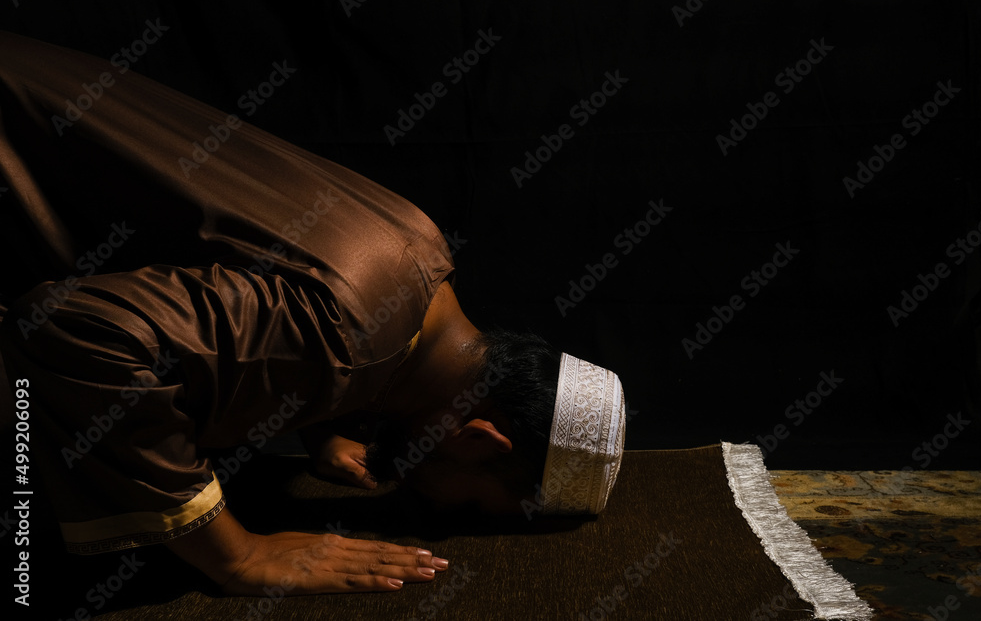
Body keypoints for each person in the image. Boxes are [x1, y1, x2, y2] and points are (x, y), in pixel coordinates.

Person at [0, 31, 625, 596]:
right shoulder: (341, 338)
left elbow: (264, 278)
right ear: (478, 437)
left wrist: (318, 415)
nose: (436, 510)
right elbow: (75, 330)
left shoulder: (424, 258)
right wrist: (237, 555)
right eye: (467, 507)